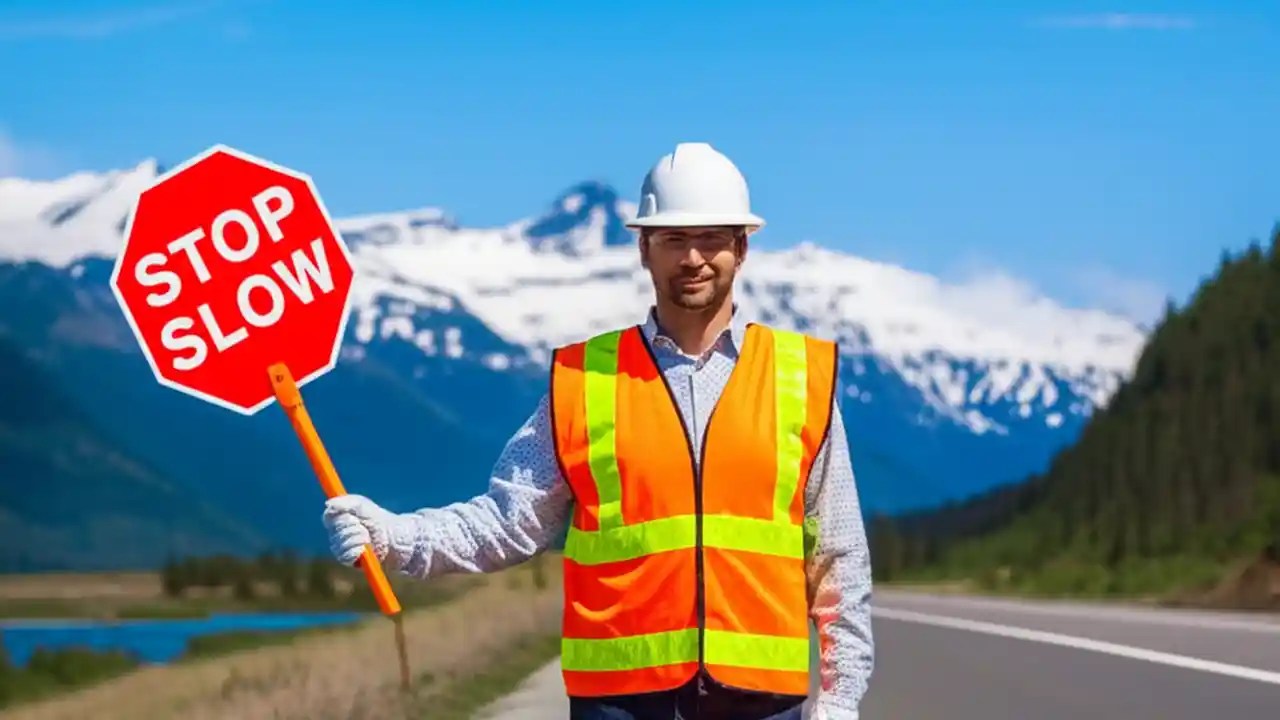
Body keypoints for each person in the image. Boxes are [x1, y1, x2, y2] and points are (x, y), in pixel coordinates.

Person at [323, 142, 875, 720]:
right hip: (620, 702)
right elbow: (507, 522)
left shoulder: (800, 378)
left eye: (711, 237)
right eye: (672, 240)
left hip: (761, 701)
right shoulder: (583, 380)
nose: (693, 258)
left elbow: (839, 553)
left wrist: (840, 697)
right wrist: (394, 537)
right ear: (643, 249)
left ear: (741, 247)